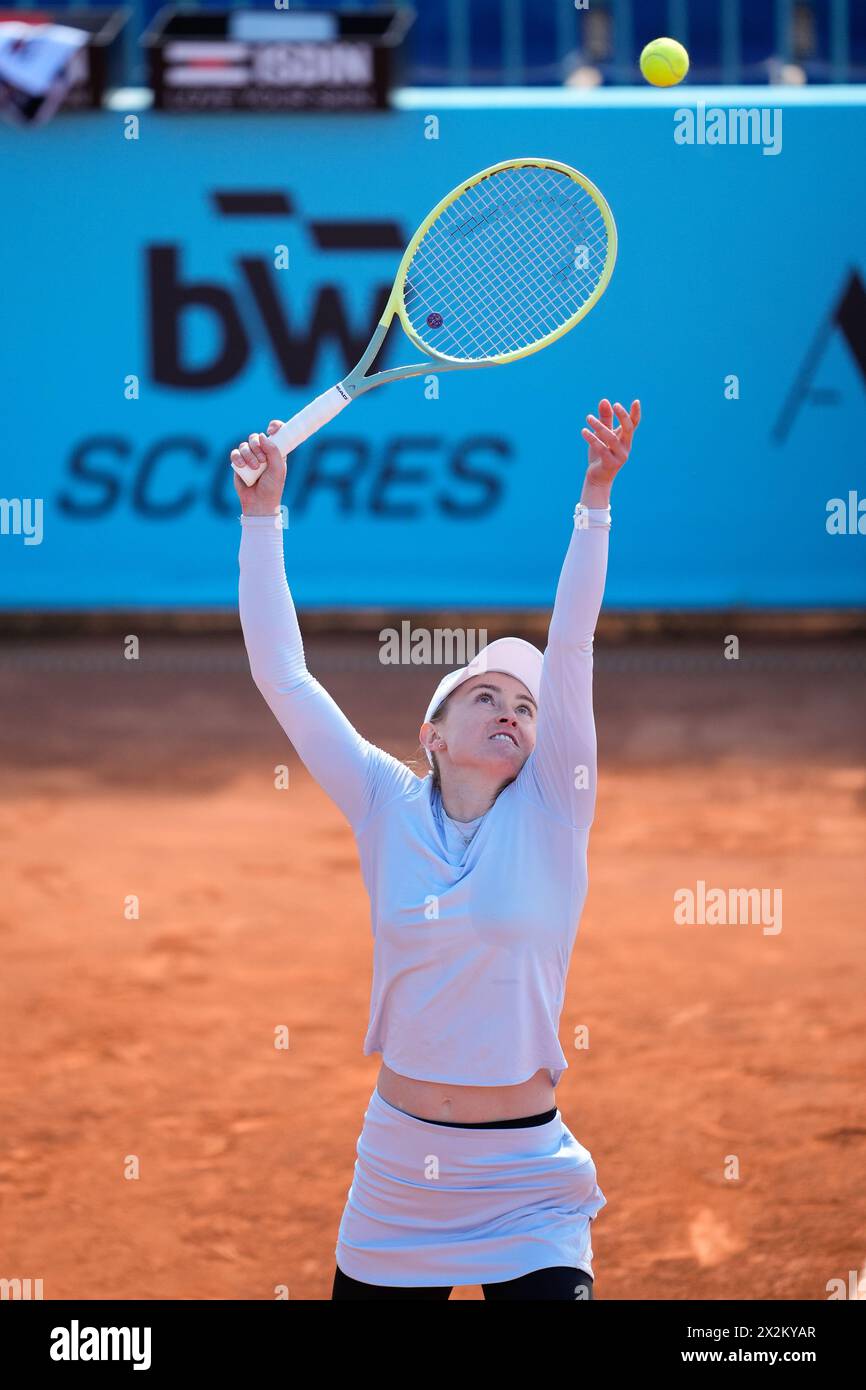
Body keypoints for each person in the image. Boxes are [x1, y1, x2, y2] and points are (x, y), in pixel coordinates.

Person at [232, 397, 641, 1300]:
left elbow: (570, 645)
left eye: (526, 707)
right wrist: (263, 521)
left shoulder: (557, 810)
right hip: (396, 1181)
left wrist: (596, 498)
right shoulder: (382, 801)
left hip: (528, 1183)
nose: (514, 710)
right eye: (487, 696)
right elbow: (284, 677)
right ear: (434, 733)